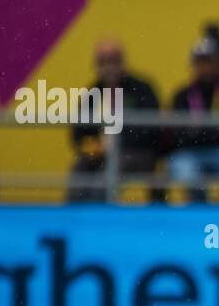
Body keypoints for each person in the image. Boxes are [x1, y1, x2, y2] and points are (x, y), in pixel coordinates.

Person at [67, 39, 163, 203]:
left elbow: (151, 129)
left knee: (104, 178)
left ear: (123, 62)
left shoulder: (141, 89)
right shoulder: (92, 93)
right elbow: (78, 134)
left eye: (113, 60)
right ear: (96, 65)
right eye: (103, 62)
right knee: (79, 172)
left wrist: (118, 143)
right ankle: (74, 221)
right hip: (99, 155)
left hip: (136, 153)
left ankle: (101, 220)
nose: (109, 67)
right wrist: (92, 146)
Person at [167, 37, 219, 203]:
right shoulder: (182, 95)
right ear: (193, 66)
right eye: (200, 62)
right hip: (191, 152)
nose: (205, 67)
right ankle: (201, 211)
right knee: (185, 170)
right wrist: (213, 131)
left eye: (208, 62)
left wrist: (199, 132)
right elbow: (177, 134)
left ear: (217, 64)